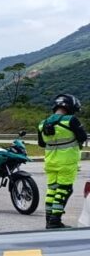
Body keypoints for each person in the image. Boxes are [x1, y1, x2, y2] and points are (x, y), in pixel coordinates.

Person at [37, 94, 87, 229]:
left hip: (50, 162)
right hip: (67, 162)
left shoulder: (42, 124)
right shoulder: (71, 120)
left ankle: (49, 219)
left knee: (52, 190)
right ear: (70, 107)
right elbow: (82, 136)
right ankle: (55, 221)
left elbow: (41, 144)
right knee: (64, 190)